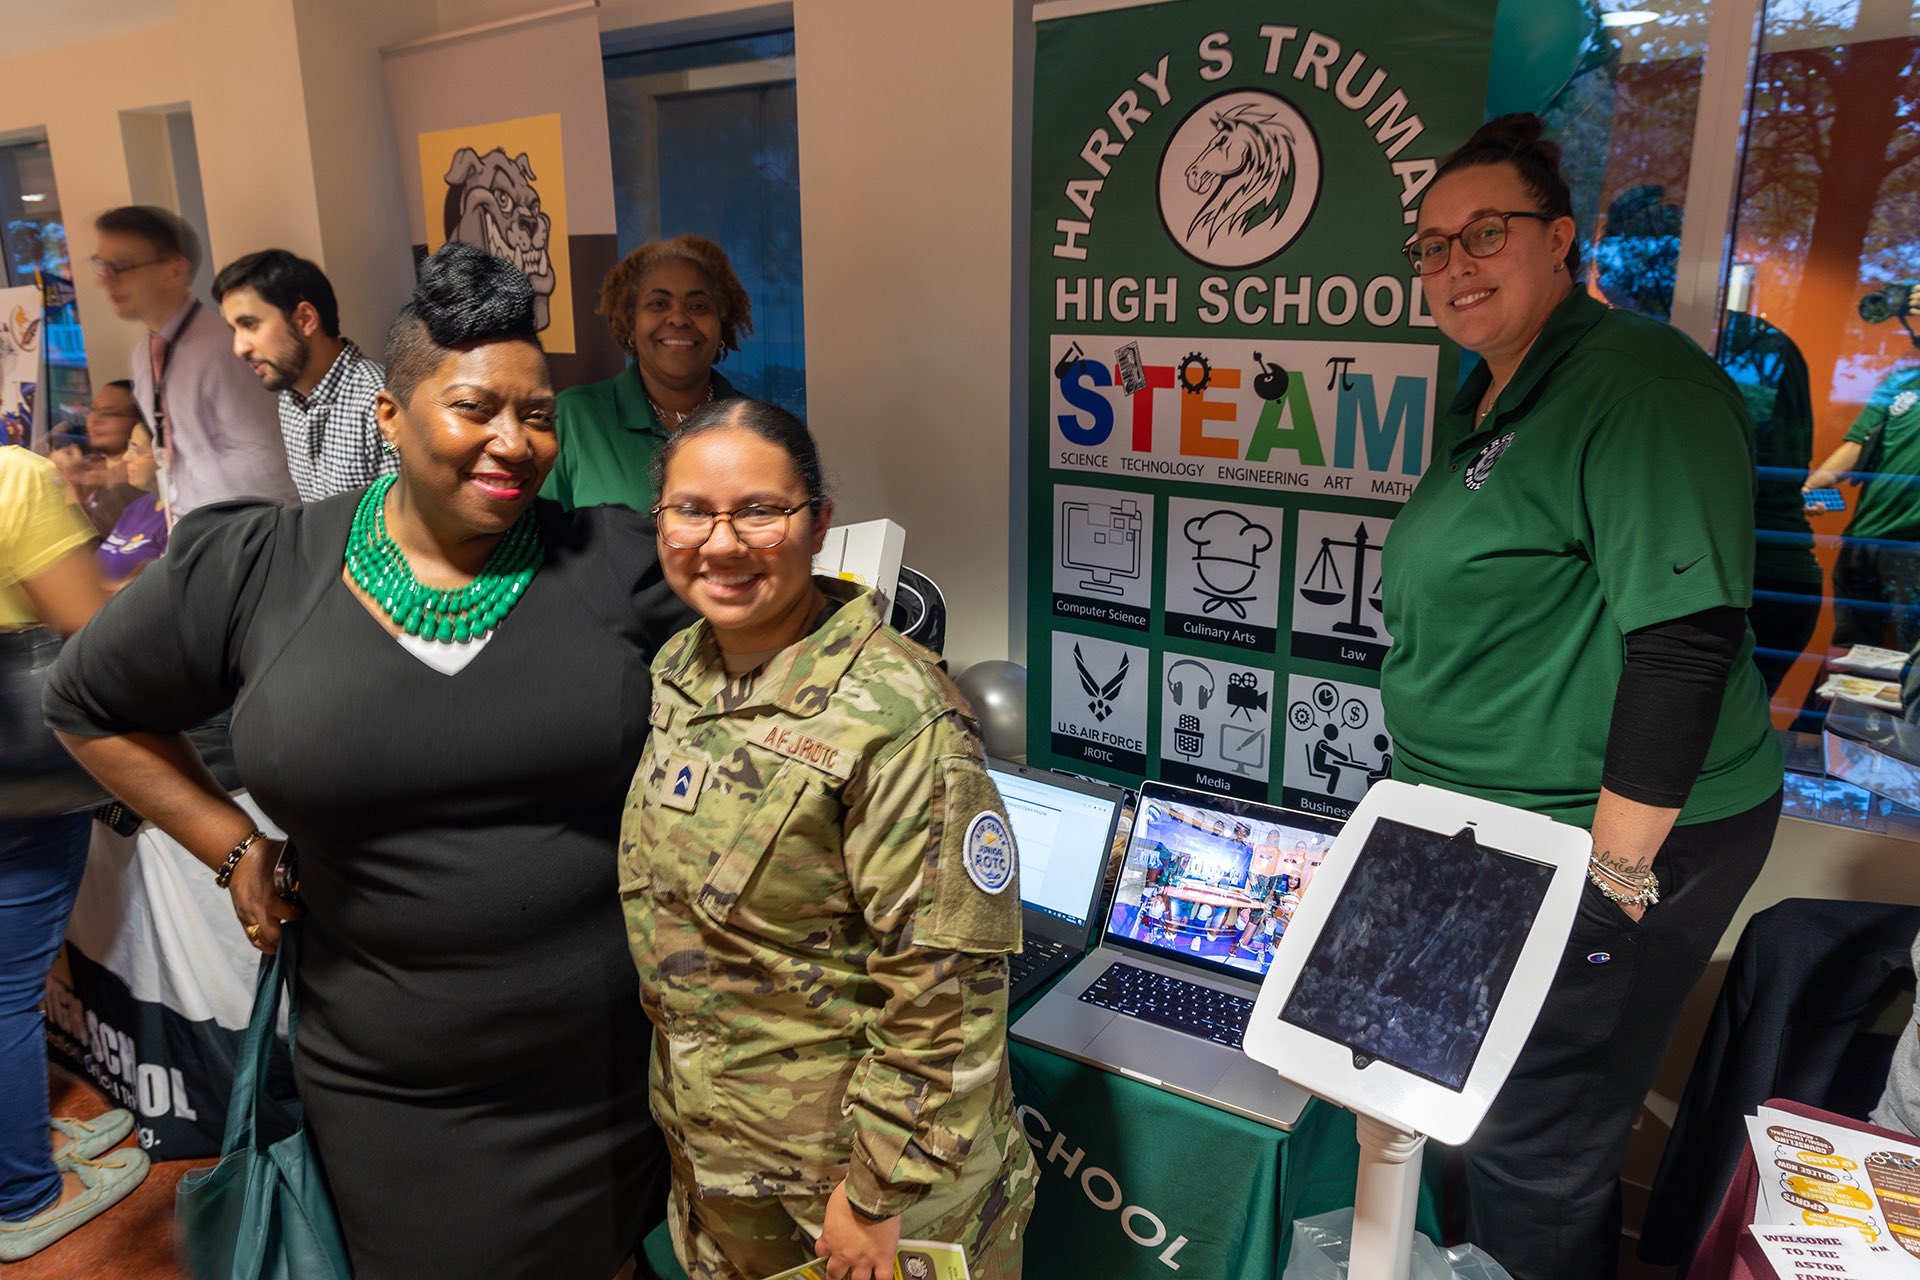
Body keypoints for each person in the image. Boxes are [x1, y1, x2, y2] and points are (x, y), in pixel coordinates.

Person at [46, 242, 692, 1278]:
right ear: (389, 416)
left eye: (536, 414)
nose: (514, 441)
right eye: (476, 407)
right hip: (391, 1088)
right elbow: (85, 703)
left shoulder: (613, 561)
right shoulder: (263, 565)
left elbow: (776, 648)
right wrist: (233, 847)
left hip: (601, 1069)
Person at [1379, 114, 1784, 1280]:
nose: (1454, 263)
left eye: (1486, 234)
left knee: (1538, 1139)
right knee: (1462, 1107)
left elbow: (1686, 643)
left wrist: (1612, 889)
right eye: (1432, 244)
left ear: (1559, 240)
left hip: (1614, 838)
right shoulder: (1492, 395)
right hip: (1491, 826)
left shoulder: (1638, 386)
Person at [620, 399, 1036, 1280]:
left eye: (760, 511)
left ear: (818, 525)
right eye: (692, 511)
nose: (722, 543)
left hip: (856, 1199)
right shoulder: (680, 669)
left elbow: (948, 987)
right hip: (722, 1169)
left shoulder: (898, 714)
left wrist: (876, 1195)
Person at [0, 446, 148, 1261]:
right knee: (7, 991)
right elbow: (87, 621)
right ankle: (24, 1194)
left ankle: (17, 1138)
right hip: (19, 782)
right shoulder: (13, 478)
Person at [91, 205, 296, 517]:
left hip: (250, 529)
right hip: (196, 528)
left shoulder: (226, 348)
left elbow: (270, 462)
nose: (105, 281)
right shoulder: (143, 355)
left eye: (120, 267)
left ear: (173, 270)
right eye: (101, 266)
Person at [541, 234, 751, 512]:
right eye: (658, 303)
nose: (678, 318)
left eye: (699, 306)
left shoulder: (755, 426)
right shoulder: (573, 418)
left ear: (721, 325)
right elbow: (535, 533)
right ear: (630, 323)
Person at [213, 248, 397, 503]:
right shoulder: (290, 401)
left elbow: (409, 521)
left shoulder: (378, 402)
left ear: (305, 319)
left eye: (250, 324)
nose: (239, 347)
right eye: (234, 329)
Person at [1806, 366, 1920, 650]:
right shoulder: (1902, 380)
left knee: (1913, 651)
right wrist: (1811, 486)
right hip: (1864, 540)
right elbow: (1858, 443)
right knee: (1851, 649)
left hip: (1913, 546)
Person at [48, 382, 145, 535]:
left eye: (110, 414)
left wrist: (72, 485)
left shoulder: (140, 484)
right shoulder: (88, 466)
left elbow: (94, 544)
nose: (94, 420)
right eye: (93, 410)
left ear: (139, 420)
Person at [94, 411, 168, 589]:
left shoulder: (175, 518)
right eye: (128, 447)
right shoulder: (138, 507)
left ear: (164, 456)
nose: (126, 457)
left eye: (136, 449)